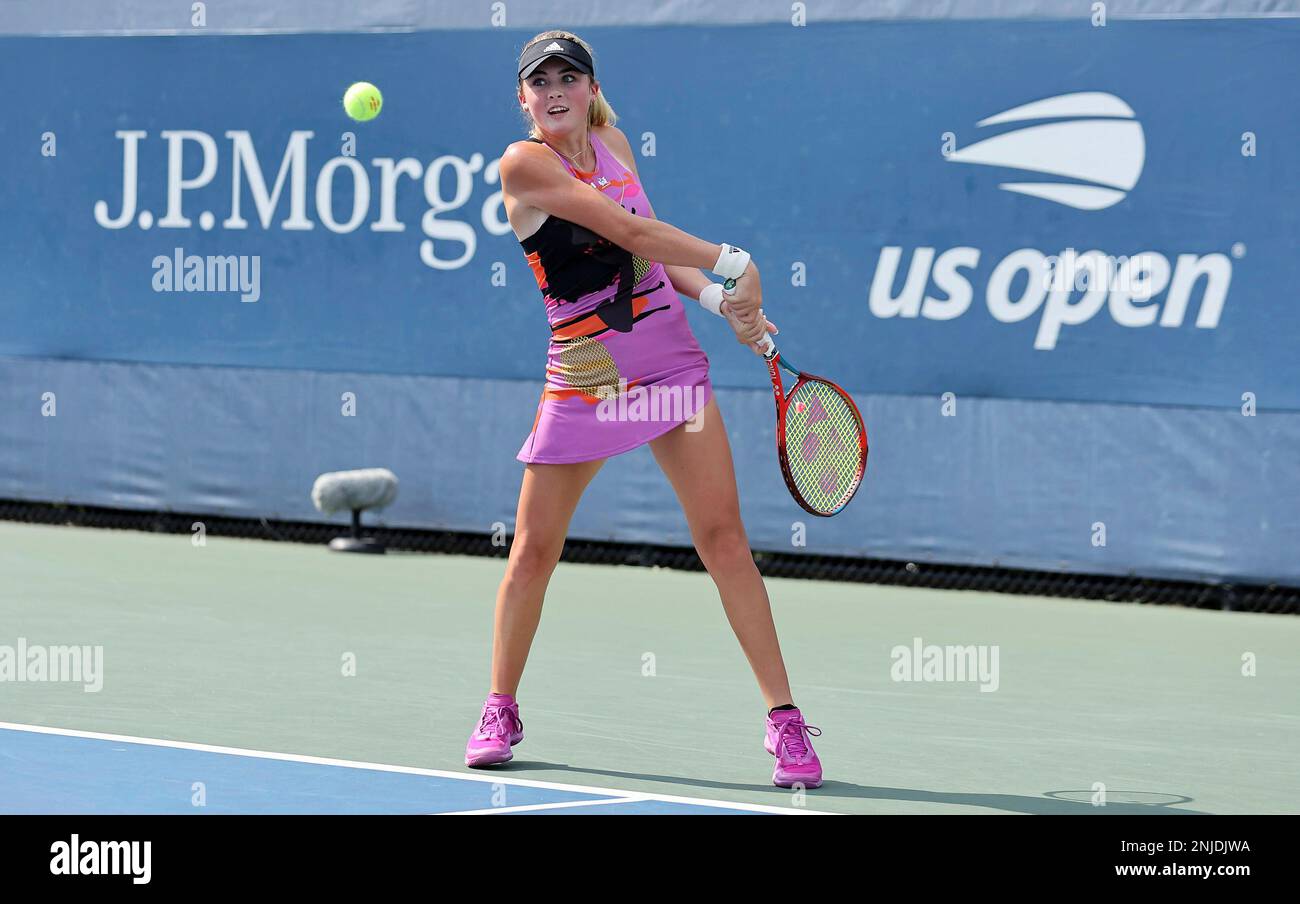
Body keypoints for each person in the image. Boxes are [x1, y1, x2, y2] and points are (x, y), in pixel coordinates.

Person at [465, 30, 823, 789]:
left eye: (569, 77)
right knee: (533, 550)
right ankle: (500, 707)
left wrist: (721, 301)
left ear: (591, 88)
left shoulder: (615, 145)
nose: (555, 91)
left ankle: (785, 718)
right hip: (588, 379)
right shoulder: (523, 164)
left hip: (668, 369)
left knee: (724, 540)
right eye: (540, 82)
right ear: (523, 99)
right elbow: (624, 229)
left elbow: (648, 256)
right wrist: (737, 263)